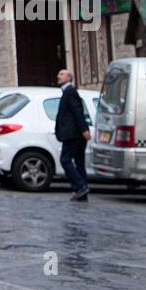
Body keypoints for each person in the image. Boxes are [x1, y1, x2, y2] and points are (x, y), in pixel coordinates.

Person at [55, 68, 90, 201]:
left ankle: (80, 186)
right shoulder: (67, 92)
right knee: (79, 163)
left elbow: (77, 112)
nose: (58, 76)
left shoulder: (70, 92)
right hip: (75, 134)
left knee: (65, 160)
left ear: (69, 78)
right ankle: (82, 190)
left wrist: (83, 130)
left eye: (62, 74)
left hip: (73, 134)